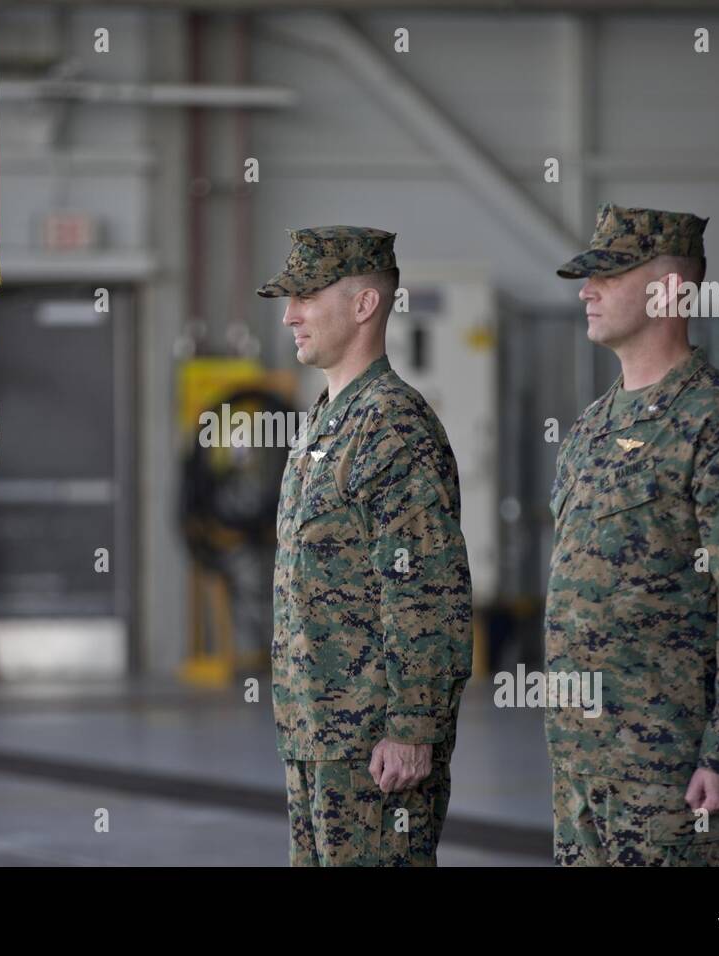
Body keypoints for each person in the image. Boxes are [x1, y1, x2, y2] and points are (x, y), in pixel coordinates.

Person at [546, 202, 719, 865]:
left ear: (668, 290)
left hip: (673, 771)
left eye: (608, 275)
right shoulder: (589, 429)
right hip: (581, 767)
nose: (587, 290)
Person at [258, 225, 473, 866]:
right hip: (318, 736)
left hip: (371, 749)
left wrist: (412, 729)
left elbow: (428, 589)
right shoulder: (330, 416)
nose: (290, 315)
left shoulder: (391, 425)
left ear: (363, 305)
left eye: (306, 296)